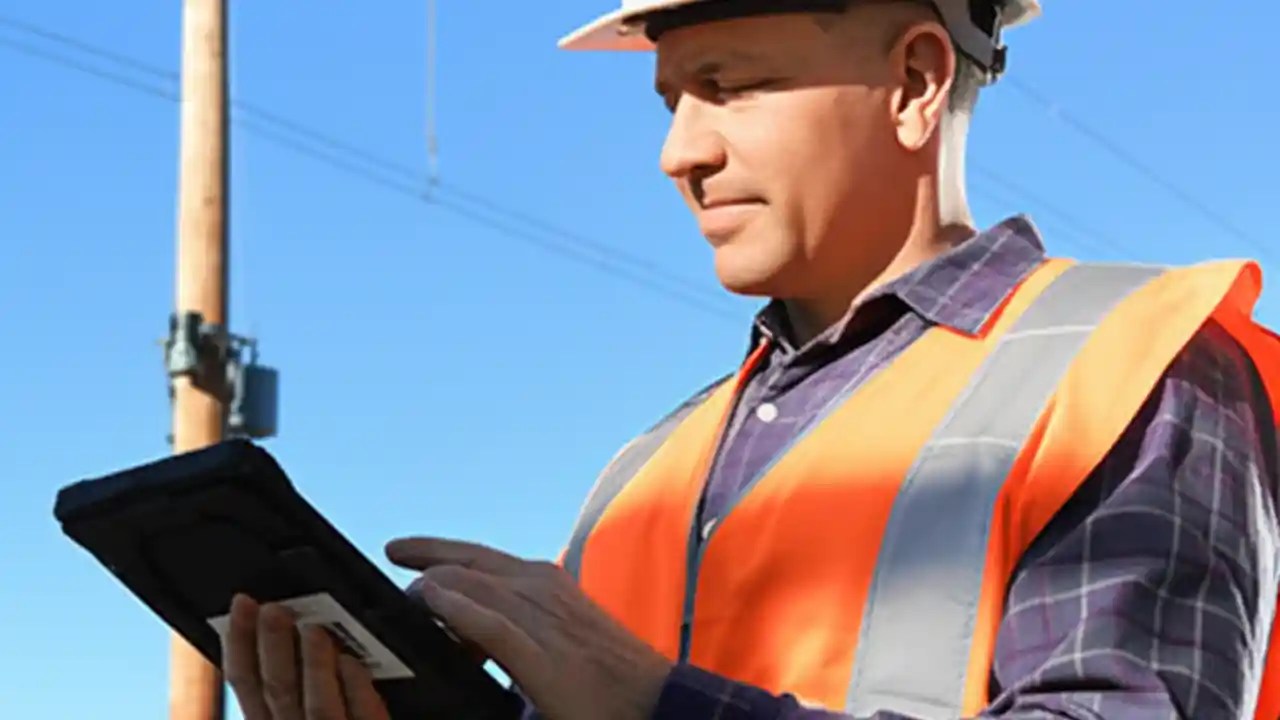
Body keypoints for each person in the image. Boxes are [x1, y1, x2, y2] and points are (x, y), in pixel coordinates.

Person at [220, 1, 1280, 718]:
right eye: (671, 100)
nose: (678, 151)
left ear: (915, 81)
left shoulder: (1127, 367)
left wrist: (655, 706)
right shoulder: (644, 473)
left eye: (729, 87)